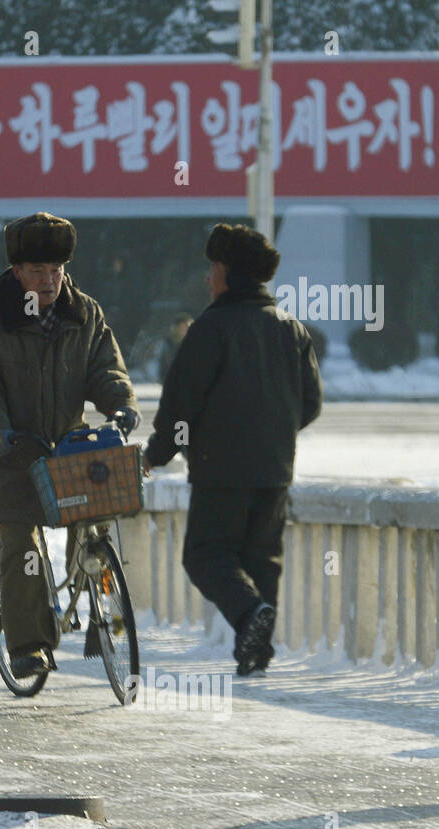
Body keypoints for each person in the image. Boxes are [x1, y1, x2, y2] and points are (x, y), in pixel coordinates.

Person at [0, 212, 140, 679]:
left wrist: (121, 406)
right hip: (7, 456)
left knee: (95, 513)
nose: (49, 280)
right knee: (24, 544)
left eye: (56, 270)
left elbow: (106, 370)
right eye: (38, 271)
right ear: (17, 272)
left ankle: (98, 608)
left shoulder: (85, 313)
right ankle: (30, 644)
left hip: (64, 447)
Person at [142, 224, 323, 676]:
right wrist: (274, 435)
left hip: (219, 470)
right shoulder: (292, 330)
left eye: (213, 268)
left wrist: (157, 453)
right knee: (262, 560)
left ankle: (248, 616)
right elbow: (311, 403)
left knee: (204, 555)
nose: (208, 278)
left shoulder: (211, 328)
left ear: (229, 273)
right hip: (275, 471)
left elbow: (181, 404)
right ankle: (255, 651)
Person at [157, 312, 194, 382]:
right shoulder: (169, 343)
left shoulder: (193, 342)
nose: (183, 329)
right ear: (176, 328)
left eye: (185, 326)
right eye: (181, 327)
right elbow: (165, 365)